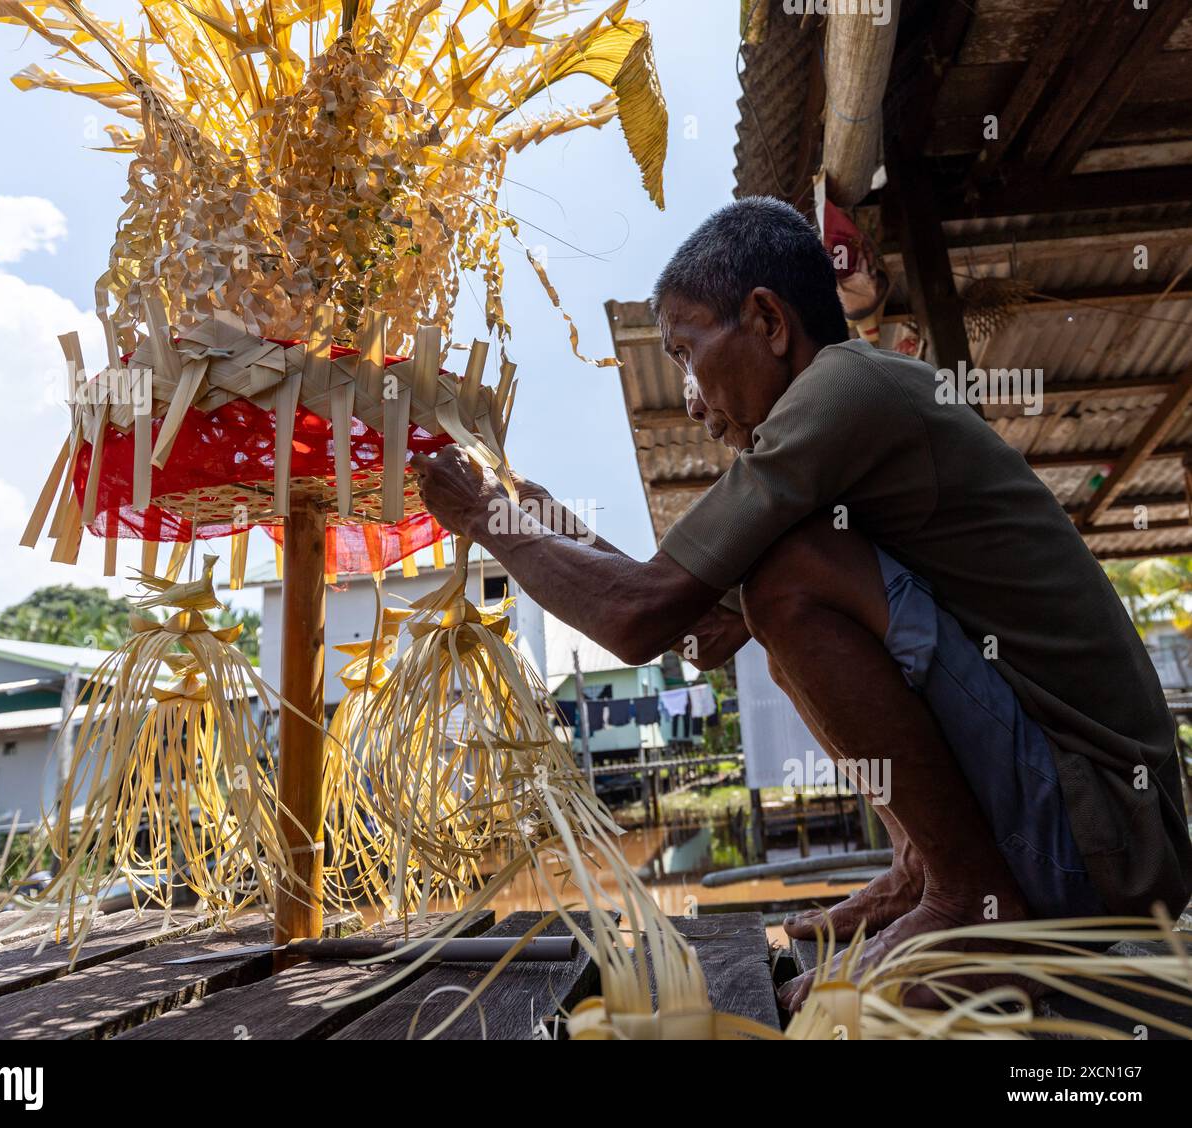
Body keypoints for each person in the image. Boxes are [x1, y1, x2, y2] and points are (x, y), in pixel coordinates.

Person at [412, 195, 1192, 1010]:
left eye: (685, 351)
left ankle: (970, 899)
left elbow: (638, 619)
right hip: (1101, 835)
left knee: (784, 577)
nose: (686, 394)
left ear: (768, 321)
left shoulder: (844, 390)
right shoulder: (856, 401)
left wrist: (483, 519)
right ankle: (925, 870)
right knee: (764, 597)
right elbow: (696, 627)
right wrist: (546, 524)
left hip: (1103, 844)